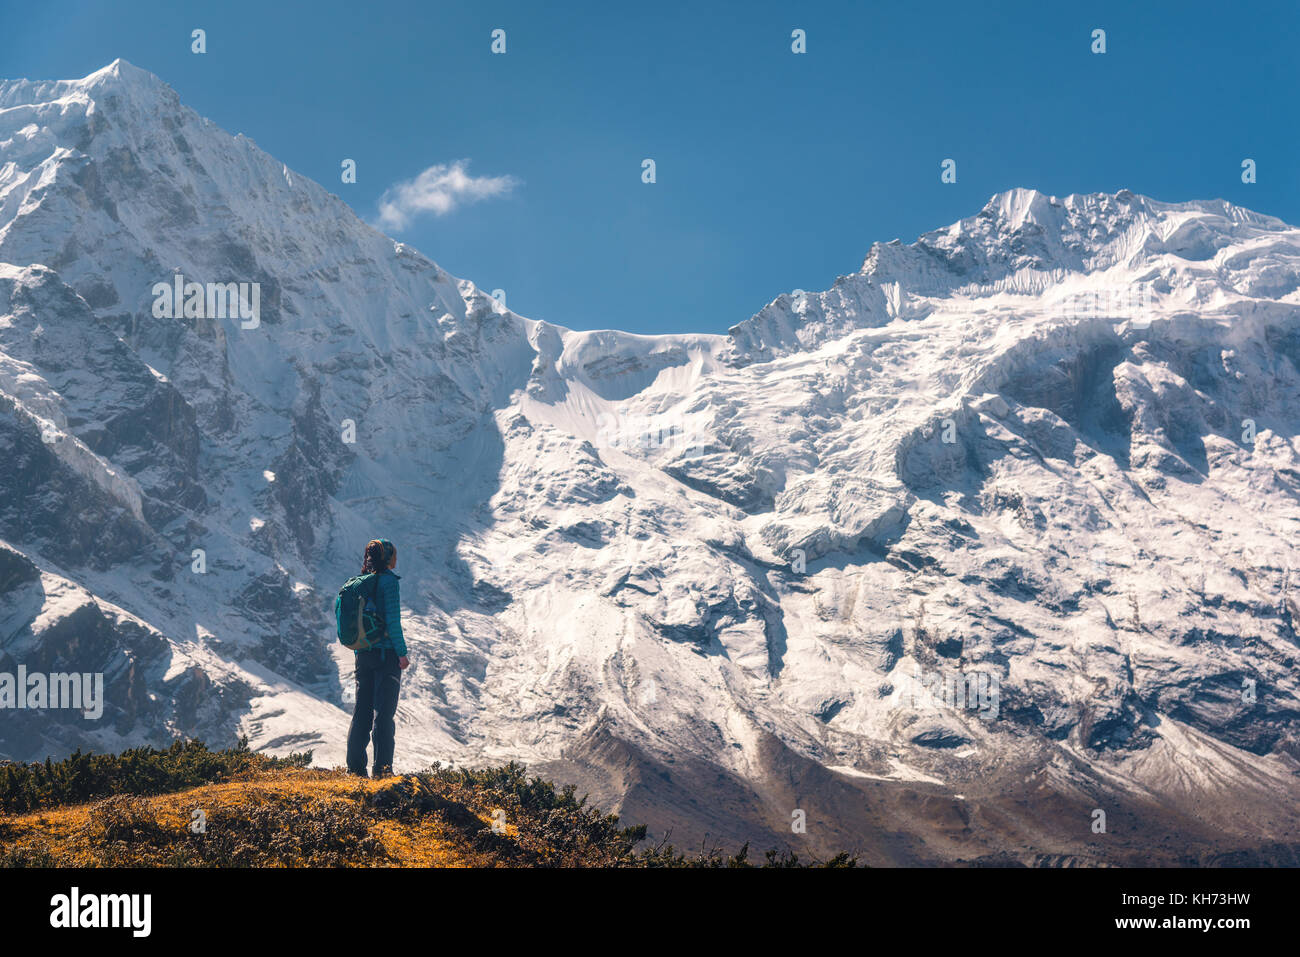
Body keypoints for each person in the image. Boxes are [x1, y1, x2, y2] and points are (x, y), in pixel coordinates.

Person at [346, 538, 409, 778]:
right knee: (383, 714)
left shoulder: (360, 583)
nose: (396, 558)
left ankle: (355, 769)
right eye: (394, 554)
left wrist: (361, 650)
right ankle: (383, 771)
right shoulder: (389, 583)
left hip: (363, 655)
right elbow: (393, 622)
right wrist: (401, 654)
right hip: (386, 657)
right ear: (388, 558)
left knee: (361, 711)